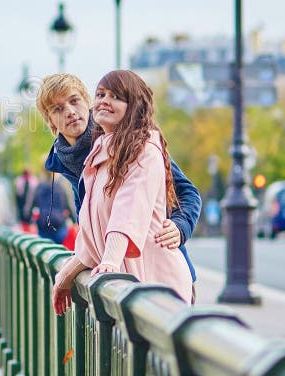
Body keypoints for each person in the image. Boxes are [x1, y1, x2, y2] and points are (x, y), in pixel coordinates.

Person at [35, 73, 200, 296]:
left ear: (87, 103)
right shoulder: (68, 160)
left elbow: (182, 192)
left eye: (74, 101)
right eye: (57, 109)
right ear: (50, 121)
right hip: (115, 275)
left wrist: (180, 225)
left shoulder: (130, 141)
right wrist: (71, 270)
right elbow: (89, 226)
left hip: (154, 267)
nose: (70, 112)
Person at [31, 171, 71, 244]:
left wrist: (31, 221)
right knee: (59, 252)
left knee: (46, 251)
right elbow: (67, 206)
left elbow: (33, 206)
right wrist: (74, 221)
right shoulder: (59, 187)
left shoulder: (39, 187)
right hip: (59, 225)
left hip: (43, 225)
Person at [13, 167, 40, 231]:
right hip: (21, 207)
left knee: (31, 225)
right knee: (23, 224)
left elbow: (36, 197)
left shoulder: (34, 181)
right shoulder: (19, 181)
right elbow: (17, 196)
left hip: (31, 207)